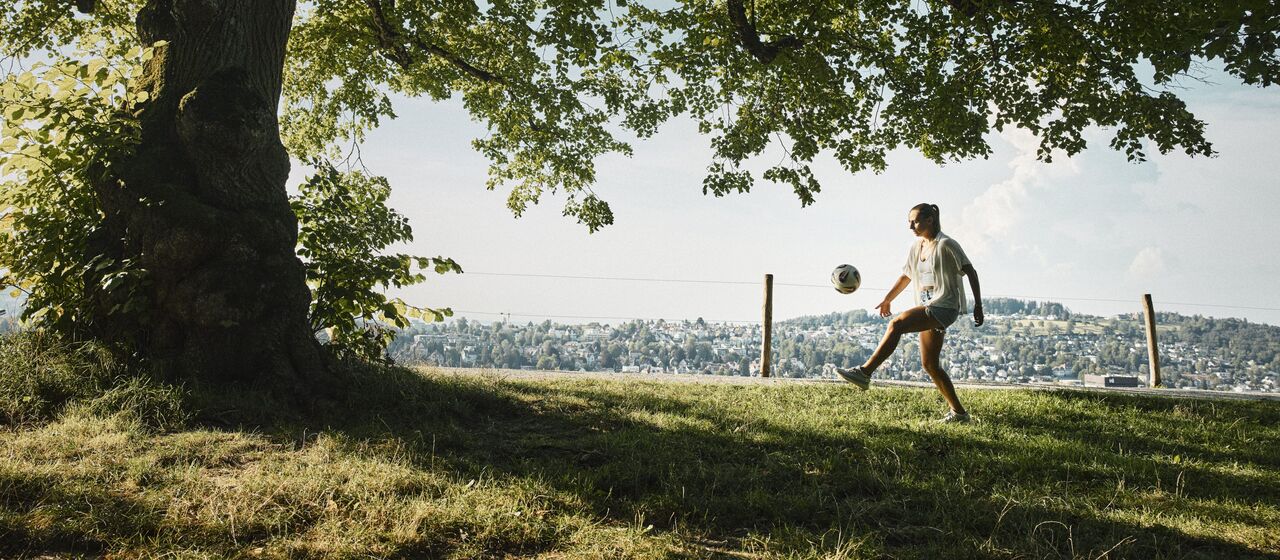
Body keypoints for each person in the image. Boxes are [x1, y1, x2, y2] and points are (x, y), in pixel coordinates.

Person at [828, 203, 984, 423]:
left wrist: (978, 305)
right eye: (909, 222)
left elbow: (971, 272)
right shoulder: (917, 247)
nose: (911, 226)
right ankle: (960, 414)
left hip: (945, 306)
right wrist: (888, 299)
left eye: (915, 221)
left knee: (897, 324)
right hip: (929, 305)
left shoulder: (946, 244)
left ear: (930, 220)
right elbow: (906, 276)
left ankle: (864, 373)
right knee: (930, 364)